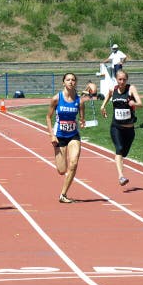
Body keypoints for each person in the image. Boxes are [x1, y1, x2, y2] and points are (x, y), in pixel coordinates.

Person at [46, 72, 85, 203]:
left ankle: (63, 194)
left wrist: (82, 121)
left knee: (73, 163)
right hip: (59, 136)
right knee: (62, 170)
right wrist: (52, 135)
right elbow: (48, 117)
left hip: (73, 135)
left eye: (73, 80)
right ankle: (61, 160)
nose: (70, 82)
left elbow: (82, 118)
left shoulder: (79, 101)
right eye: (68, 80)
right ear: (63, 82)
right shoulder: (56, 98)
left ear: (75, 83)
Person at [100, 70, 143, 186]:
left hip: (129, 129)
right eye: (120, 79)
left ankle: (120, 166)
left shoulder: (131, 89)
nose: (122, 81)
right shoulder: (113, 89)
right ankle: (121, 176)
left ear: (127, 80)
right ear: (116, 79)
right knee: (119, 148)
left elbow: (141, 104)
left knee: (124, 153)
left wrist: (134, 104)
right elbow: (108, 95)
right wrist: (103, 106)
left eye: (124, 79)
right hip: (116, 127)